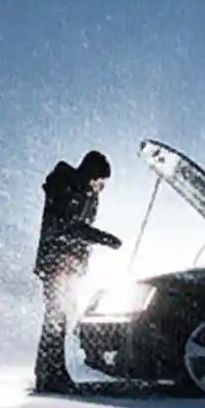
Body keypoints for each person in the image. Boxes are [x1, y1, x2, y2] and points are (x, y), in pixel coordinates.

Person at [32, 150, 123, 393]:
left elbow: (80, 231)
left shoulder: (86, 194)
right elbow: (66, 228)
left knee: (60, 318)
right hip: (55, 265)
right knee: (56, 318)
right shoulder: (65, 188)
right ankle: (50, 375)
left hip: (69, 267)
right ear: (89, 174)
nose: (101, 186)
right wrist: (103, 238)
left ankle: (51, 371)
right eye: (99, 180)